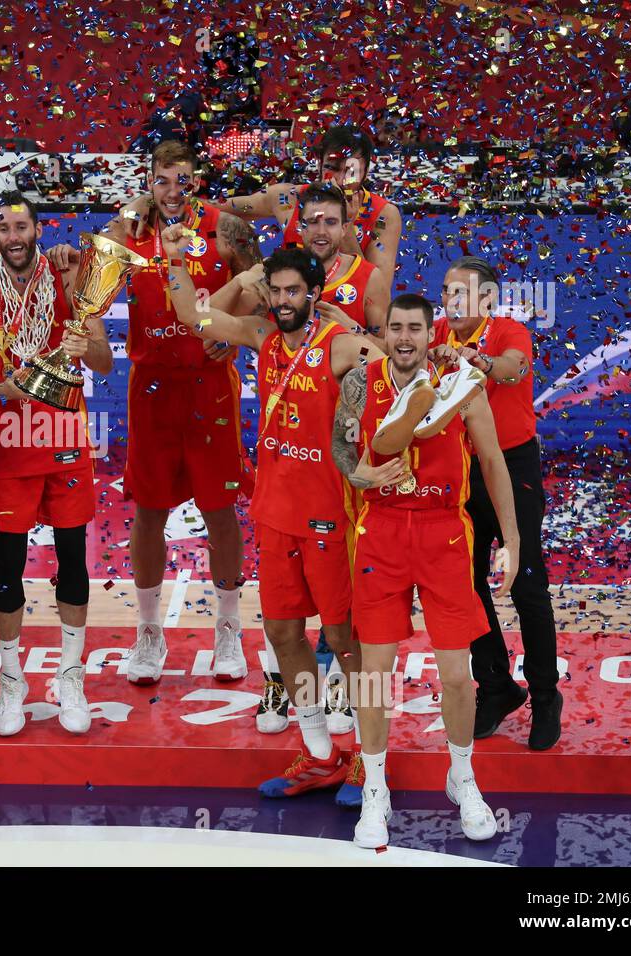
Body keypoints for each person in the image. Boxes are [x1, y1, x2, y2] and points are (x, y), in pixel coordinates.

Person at [159, 231, 393, 807]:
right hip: (274, 512)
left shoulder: (340, 345)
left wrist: (350, 324)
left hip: (330, 518)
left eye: (295, 291)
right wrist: (174, 259)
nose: (284, 300)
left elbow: (400, 375)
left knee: (345, 640)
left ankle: (371, 761)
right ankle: (319, 755)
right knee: (284, 634)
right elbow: (195, 315)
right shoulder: (262, 335)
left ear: (314, 293)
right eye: (277, 290)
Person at [330, 294, 519, 849]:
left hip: (444, 535)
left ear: (430, 330)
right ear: (384, 332)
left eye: (416, 328)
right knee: (374, 672)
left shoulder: (461, 383)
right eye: (397, 329)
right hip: (382, 532)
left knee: (458, 674)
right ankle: (376, 788)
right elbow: (344, 452)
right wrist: (358, 474)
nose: (406, 337)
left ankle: (462, 775)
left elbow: (492, 461)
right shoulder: (360, 383)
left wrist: (511, 538)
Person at [71, 139, 259, 686]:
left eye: (183, 179)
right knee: (150, 510)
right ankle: (148, 633)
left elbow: (262, 284)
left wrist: (239, 337)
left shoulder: (225, 227)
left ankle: (229, 628)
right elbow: (91, 289)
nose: (173, 191)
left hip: (210, 385)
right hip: (151, 386)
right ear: (148, 181)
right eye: (163, 180)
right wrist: (124, 215)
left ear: (197, 180)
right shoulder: (128, 231)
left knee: (221, 509)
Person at [0, 194, 113, 737]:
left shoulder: (70, 279)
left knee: (72, 558)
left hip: (65, 437)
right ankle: (11, 679)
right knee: (8, 564)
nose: (13, 236)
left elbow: (104, 361)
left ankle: (71, 676)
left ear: (38, 229)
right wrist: (1, 388)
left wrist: (84, 342)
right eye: (4, 227)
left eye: (23, 226)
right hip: (8, 441)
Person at [434, 256, 562, 750]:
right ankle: (498, 687)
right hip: (456, 471)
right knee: (463, 584)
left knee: (527, 584)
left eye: (461, 292)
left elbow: (513, 369)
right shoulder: (436, 332)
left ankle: (546, 695)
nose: (450, 300)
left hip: (511, 469)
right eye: (446, 291)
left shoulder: (508, 332)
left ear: (487, 299)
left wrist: (475, 361)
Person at [218, 125, 403, 283]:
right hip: (289, 310)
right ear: (319, 163)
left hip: (345, 318)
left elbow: (376, 293)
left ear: (365, 171)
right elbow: (217, 208)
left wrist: (345, 227)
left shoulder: (384, 214)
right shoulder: (288, 197)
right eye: (331, 168)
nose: (339, 180)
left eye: (350, 172)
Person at [288, 183, 388, 333]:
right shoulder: (278, 276)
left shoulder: (369, 278)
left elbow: (387, 350)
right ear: (299, 228)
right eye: (313, 222)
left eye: (331, 222)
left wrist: (353, 330)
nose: (321, 231)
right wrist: (239, 282)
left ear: (344, 229)